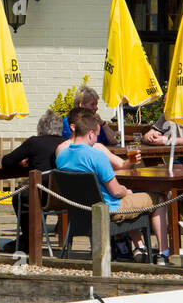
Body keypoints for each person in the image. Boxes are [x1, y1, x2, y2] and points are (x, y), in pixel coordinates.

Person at [56, 109, 168, 262]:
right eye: (96, 135)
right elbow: (116, 191)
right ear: (90, 133)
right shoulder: (97, 156)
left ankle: (139, 247)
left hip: (79, 211)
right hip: (109, 211)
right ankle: (164, 254)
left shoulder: (61, 156)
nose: (97, 139)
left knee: (131, 199)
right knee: (160, 199)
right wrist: (126, 192)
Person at [1, 110, 65, 253]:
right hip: (63, 196)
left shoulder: (34, 142)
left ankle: (28, 239)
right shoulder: (66, 143)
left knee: (19, 196)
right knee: (28, 192)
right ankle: (59, 241)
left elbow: (7, 162)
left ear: (40, 129)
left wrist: (25, 160)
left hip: (41, 194)